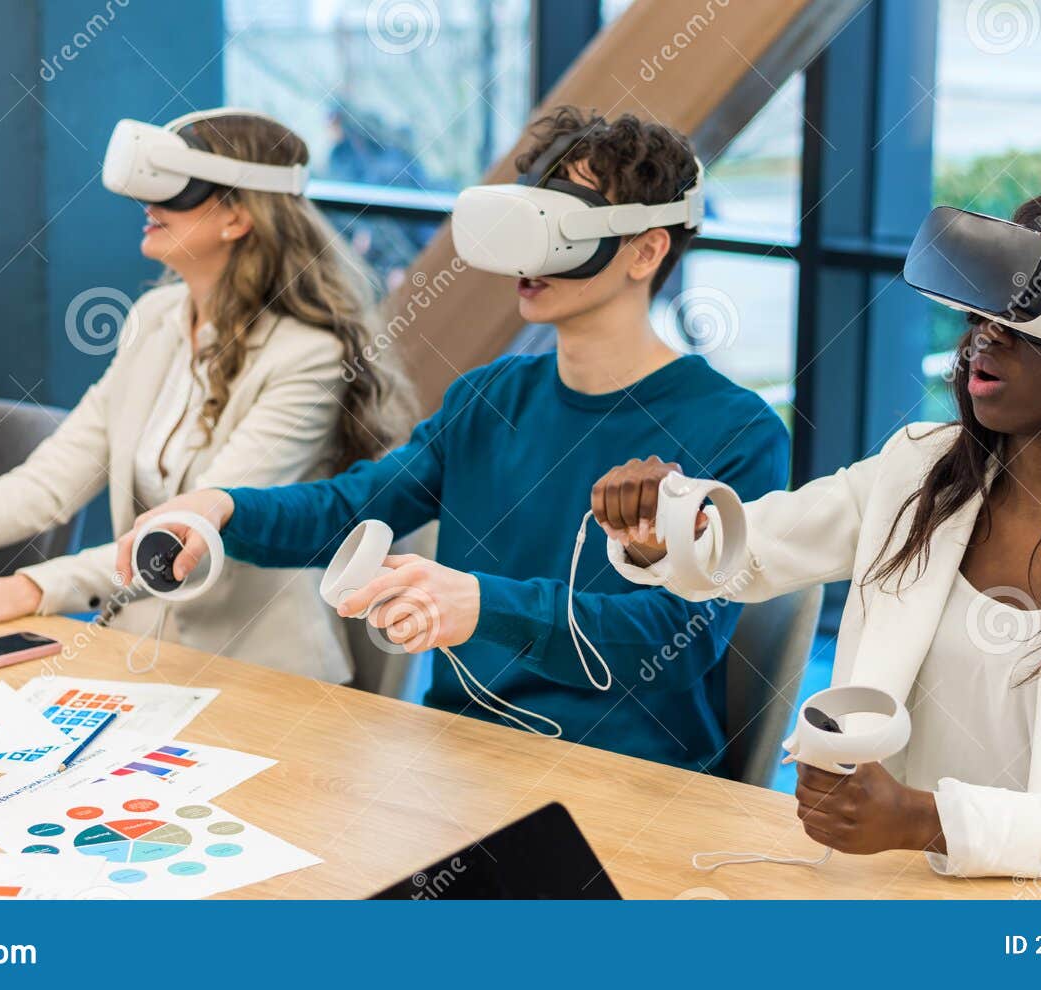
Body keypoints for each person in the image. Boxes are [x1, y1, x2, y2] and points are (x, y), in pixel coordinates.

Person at [590, 184, 1041, 894]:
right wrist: (664, 525)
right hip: (908, 885)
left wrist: (927, 820)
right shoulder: (917, 466)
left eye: (1026, 316)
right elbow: (749, 552)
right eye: (984, 306)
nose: (986, 335)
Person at [116, 107, 790, 771]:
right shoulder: (489, 398)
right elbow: (349, 508)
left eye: (561, 226)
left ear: (645, 250)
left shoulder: (737, 431)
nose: (529, 255)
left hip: (625, 777)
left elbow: (676, 641)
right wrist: (223, 508)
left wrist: (483, 606)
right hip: (457, 758)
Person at [0, 109, 405, 683]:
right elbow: (50, 480)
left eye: (178, 191)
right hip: (138, 656)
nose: (148, 205)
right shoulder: (154, 319)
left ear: (237, 218)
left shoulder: (308, 357)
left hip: (261, 672)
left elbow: (190, 536)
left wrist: (30, 588)